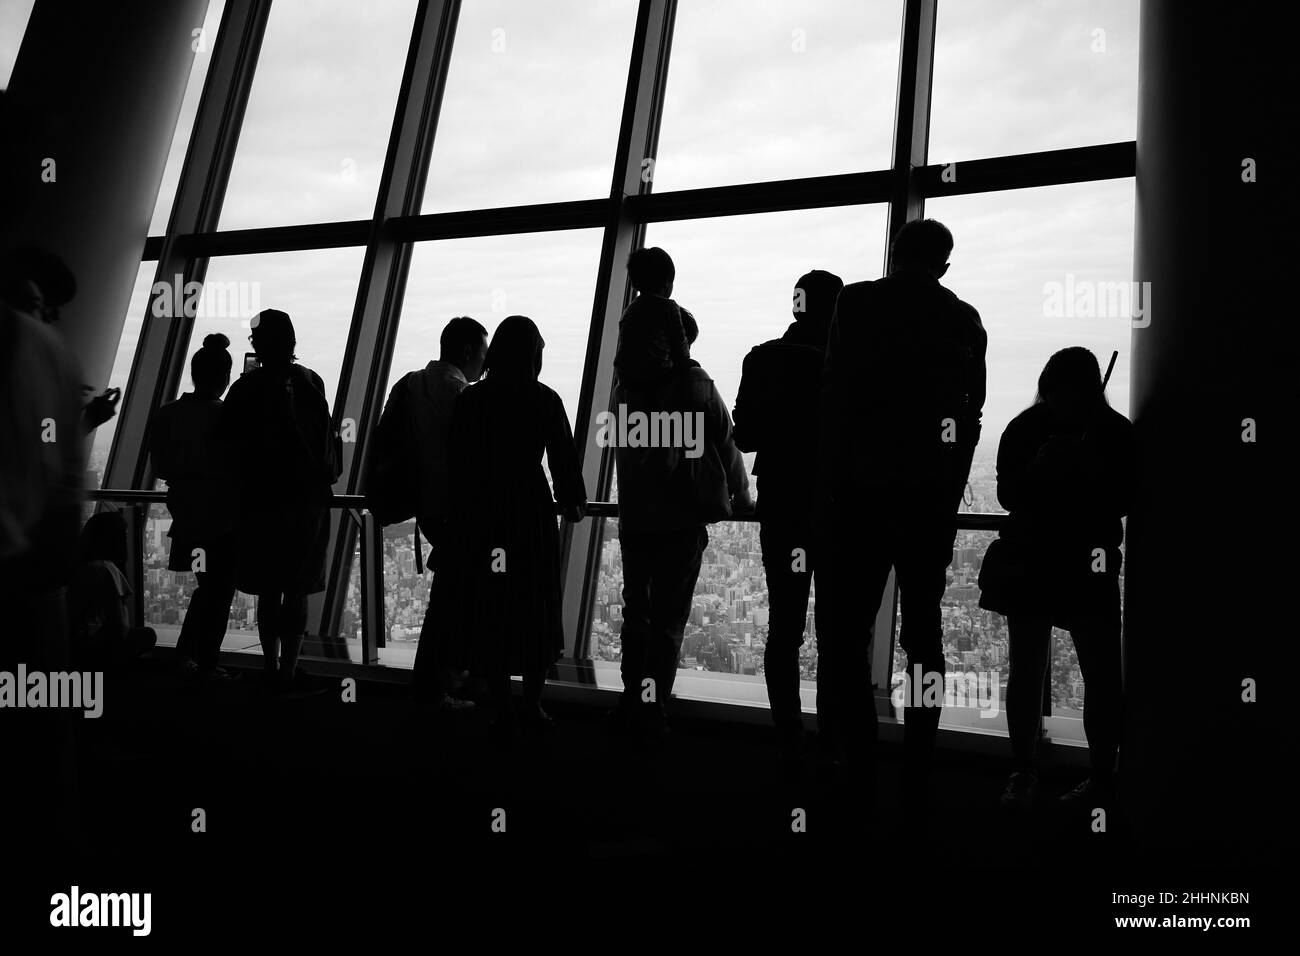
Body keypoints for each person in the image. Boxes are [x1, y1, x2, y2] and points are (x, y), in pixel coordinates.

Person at [818, 218, 987, 804]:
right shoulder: (962, 321)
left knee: (846, 634)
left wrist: (840, 479)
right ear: (944, 264)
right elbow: (969, 418)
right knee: (924, 635)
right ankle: (918, 763)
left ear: (893, 253)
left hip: (860, 499)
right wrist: (947, 486)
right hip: (926, 503)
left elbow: (835, 394)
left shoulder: (857, 303)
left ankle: (854, 760)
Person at [992, 348, 1134, 811]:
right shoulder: (1111, 431)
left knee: (1040, 670)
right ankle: (1096, 778)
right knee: (1088, 672)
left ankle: (1031, 771)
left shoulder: (1028, 427)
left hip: (1037, 558)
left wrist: (1079, 467)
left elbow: (1128, 492)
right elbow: (1009, 492)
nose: (1065, 403)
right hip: (1077, 562)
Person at [613, 307, 752, 739]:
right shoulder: (697, 383)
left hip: (636, 517)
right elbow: (728, 448)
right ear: (682, 341)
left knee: (637, 612)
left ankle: (630, 698)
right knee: (669, 618)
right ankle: (652, 708)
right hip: (681, 520)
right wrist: (742, 498)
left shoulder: (624, 387)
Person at [448, 316, 586, 739]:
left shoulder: (472, 400)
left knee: (494, 605)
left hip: (485, 516)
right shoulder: (543, 398)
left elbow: (457, 462)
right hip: (530, 513)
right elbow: (563, 460)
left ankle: (502, 707)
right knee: (535, 603)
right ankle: (532, 704)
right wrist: (573, 502)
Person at [733, 269, 843, 761]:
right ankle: (833, 740)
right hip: (837, 508)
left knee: (784, 627)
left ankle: (789, 736)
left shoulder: (761, 359)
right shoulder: (847, 365)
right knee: (840, 630)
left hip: (782, 505)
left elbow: (745, 437)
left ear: (795, 305)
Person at [218, 310, 337, 692]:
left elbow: (228, 448)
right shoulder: (312, 382)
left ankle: (270, 668)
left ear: (258, 344)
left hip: (260, 502)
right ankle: (290, 670)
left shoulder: (245, 389)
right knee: (297, 588)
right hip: (307, 502)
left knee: (269, 589)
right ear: (293, 342)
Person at [383, 316, 488, 711]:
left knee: (448, 596)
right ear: (466, 352)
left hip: (425, 506)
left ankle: (439, 682)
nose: (485, 362)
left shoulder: (412, 382)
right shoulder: (461, 394)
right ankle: (436, 686)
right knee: (452, 599)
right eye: (483, 353)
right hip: (456, 510)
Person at [149, 333, 238, 680]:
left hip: (186, 512)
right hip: (224, 516)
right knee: (219, 590)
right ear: (226, 378)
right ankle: (203, 661)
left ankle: (191, 657)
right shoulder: (227, 416)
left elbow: (161, 467)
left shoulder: (168, 414)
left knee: (209, 588)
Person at [67, 511, 156, 669]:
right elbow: (118, 624)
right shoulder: (106, 569)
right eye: (124, 536)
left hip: (77, 645)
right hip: (99, 649)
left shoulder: (81, 566)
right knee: (148, 635)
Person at [612, 246, 698, 388]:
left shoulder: (630, 310)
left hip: (626, 376)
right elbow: (680, 344)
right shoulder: (669, 308)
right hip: (656, 374)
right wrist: (687, 362)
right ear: (666, 284)